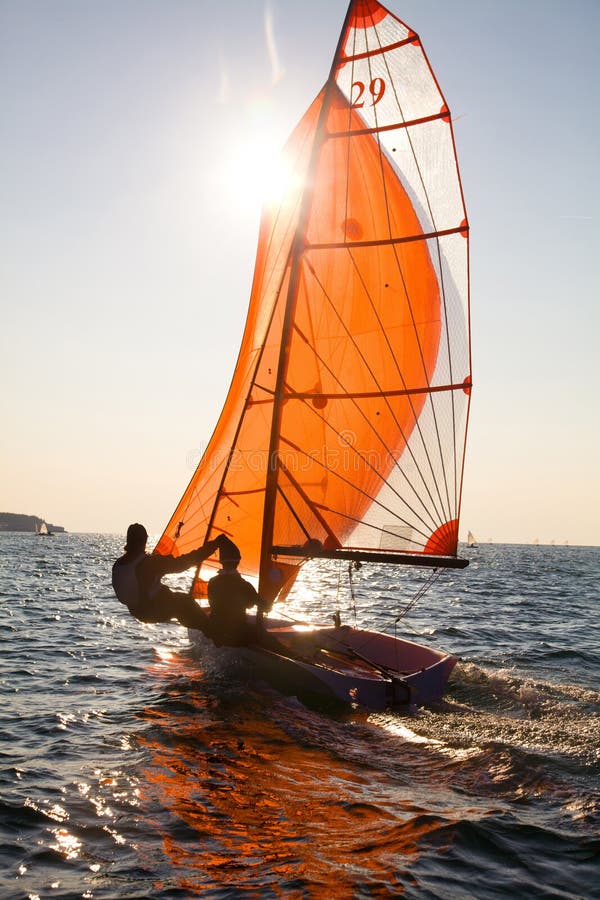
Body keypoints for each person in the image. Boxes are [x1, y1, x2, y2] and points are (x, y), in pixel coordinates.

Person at [112, 523, 227, 632]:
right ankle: (212, 630)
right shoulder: (149, 563)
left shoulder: (118, 564)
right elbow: (184, 563)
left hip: (136, 612)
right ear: (144, 541)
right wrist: (213, 545)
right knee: (183, 601)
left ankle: (205, 627)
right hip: (150, 610)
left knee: (176, 601)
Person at [207, 537, 263, 646]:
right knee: (264, 636)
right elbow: (260, 605)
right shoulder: (244, 585)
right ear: (237, 562)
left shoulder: (212, 582)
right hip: (237, 634)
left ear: (222, 562)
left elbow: (214, 604)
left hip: (217, 632)